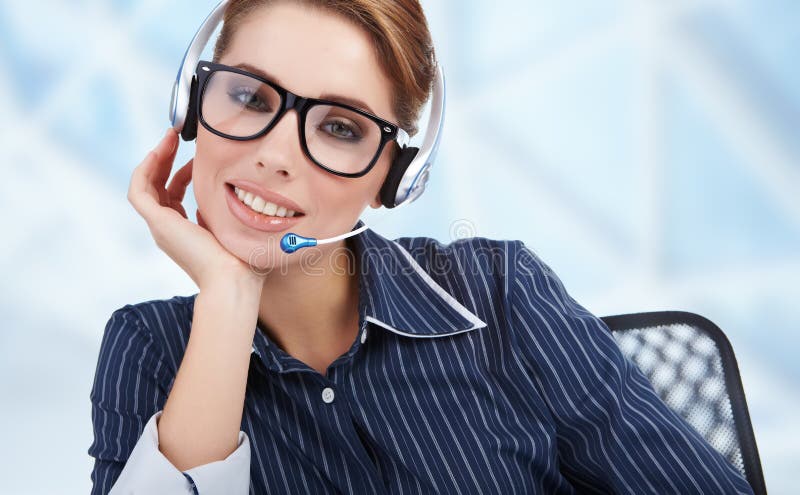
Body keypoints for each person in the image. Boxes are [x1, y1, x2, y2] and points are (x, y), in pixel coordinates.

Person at [88, 1, 756, 493]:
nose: (274, 154)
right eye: (247, 95)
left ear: (395, 178)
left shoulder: (500, 291)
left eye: (340, 127)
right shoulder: (149, 347)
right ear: (193, 100)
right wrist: (229, 299)